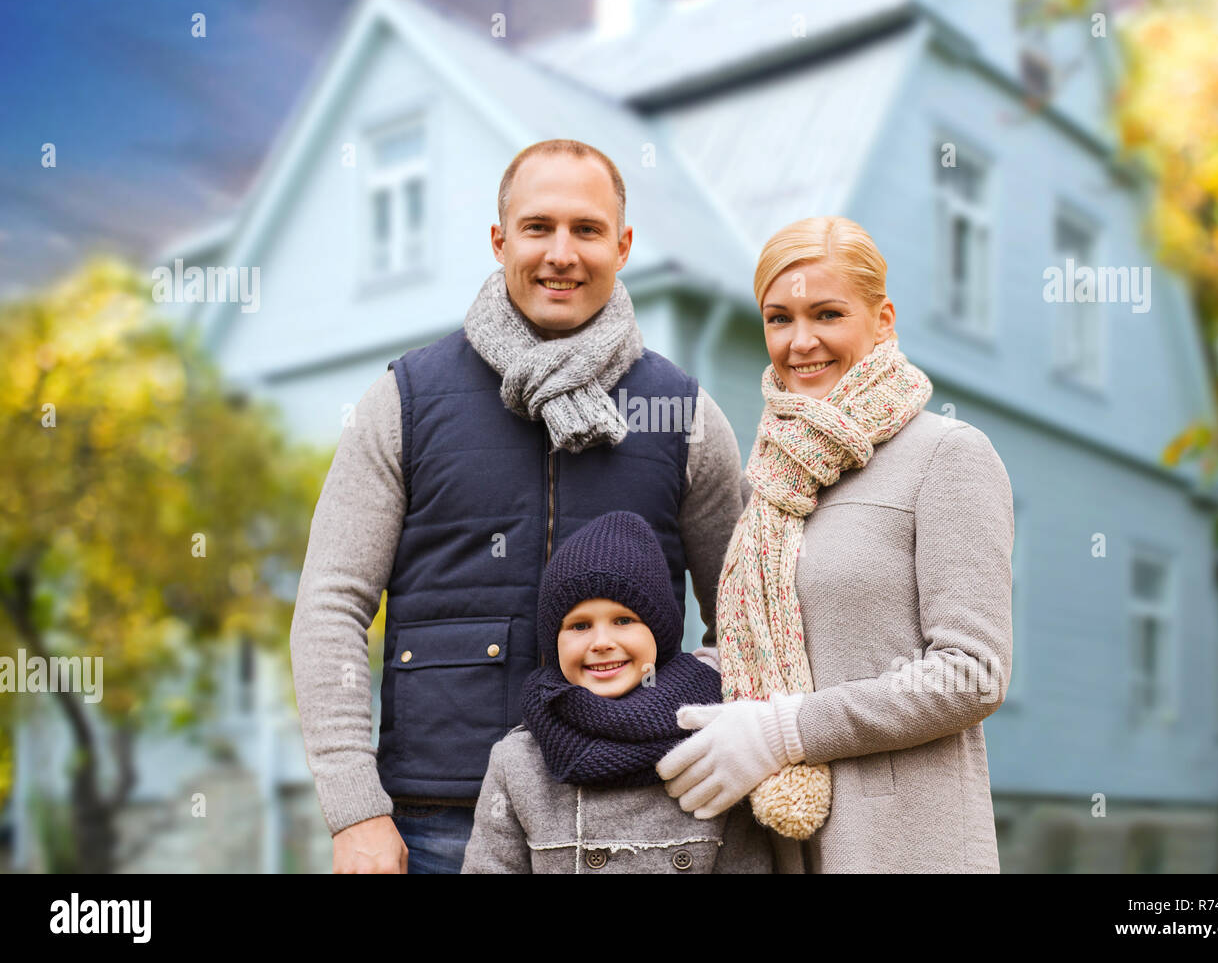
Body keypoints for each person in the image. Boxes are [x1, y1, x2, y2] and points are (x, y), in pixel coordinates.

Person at [288, 139, 743, 874]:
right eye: (538, 228)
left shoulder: (682, 414)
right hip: (438, 823)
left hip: (640, 818)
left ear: (622, 246)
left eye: (587, 230)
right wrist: (355, 808)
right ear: (500, 241)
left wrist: (700, 728)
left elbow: (752, 619)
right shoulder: (404, 400)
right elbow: (330, 607)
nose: (561, 252)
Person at [655, 215, 1014, 873]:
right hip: (779, 844)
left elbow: (973, 672)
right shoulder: (769, 482)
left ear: (883, 319)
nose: (800, 341)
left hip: (905, 847)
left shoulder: (947, 455)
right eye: (778, 318)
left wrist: (787, 730)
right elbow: (751, 643)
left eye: (826, 313)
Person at [461, 510, 776, 873]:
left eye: (624, 620)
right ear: (554, 642)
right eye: (579, 625)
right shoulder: (518, 762)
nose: (601, 642)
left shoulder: (713, 742)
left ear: (659, 631)